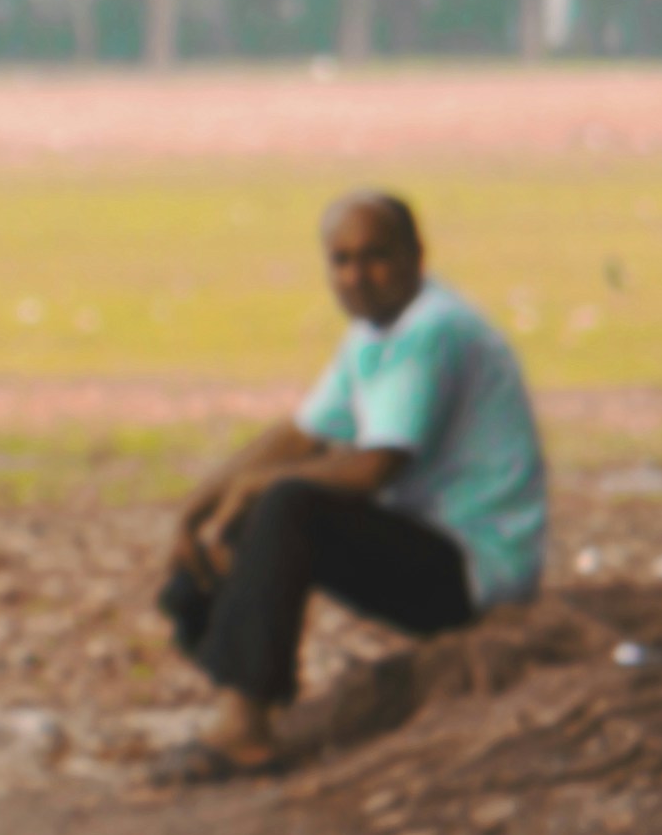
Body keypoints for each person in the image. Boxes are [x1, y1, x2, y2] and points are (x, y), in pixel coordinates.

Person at [157, 189, 547, 777]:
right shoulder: (374, 332)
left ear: (416, 254)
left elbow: (374, 467)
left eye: (375, 256)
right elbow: (303, 434)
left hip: (477, 571)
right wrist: (201, 505)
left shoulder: (432, 329)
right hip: (430, 547)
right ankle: (240, 690)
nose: (356, 276)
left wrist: (256, 488)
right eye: (341, 260)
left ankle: (246, 724)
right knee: (260, 503)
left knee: (290, 505)